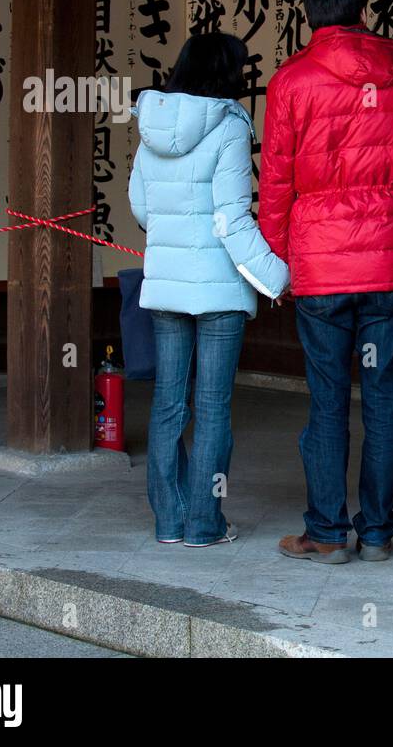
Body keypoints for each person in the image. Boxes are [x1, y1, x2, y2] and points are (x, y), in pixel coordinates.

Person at [259, 0, 393, 565]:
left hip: (321, 270)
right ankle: (377, 532)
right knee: (387, 398)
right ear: (364, 9)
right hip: (390, 266)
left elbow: (277, 180)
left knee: (328, 401)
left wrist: (279, 258)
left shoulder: (292, 81)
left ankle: (327, 531)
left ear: (310, 14)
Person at [128, 33, 289, 548]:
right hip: (219, 290)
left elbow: (141, 208)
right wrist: (277, 277)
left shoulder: (152, 124)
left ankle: (168, 522)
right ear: (226, 74)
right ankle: (204, 524)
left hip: (167, 288)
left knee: (167, 403)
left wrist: (174, 238)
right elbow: (232, 219)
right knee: (213, 406)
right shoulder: (229, 124)